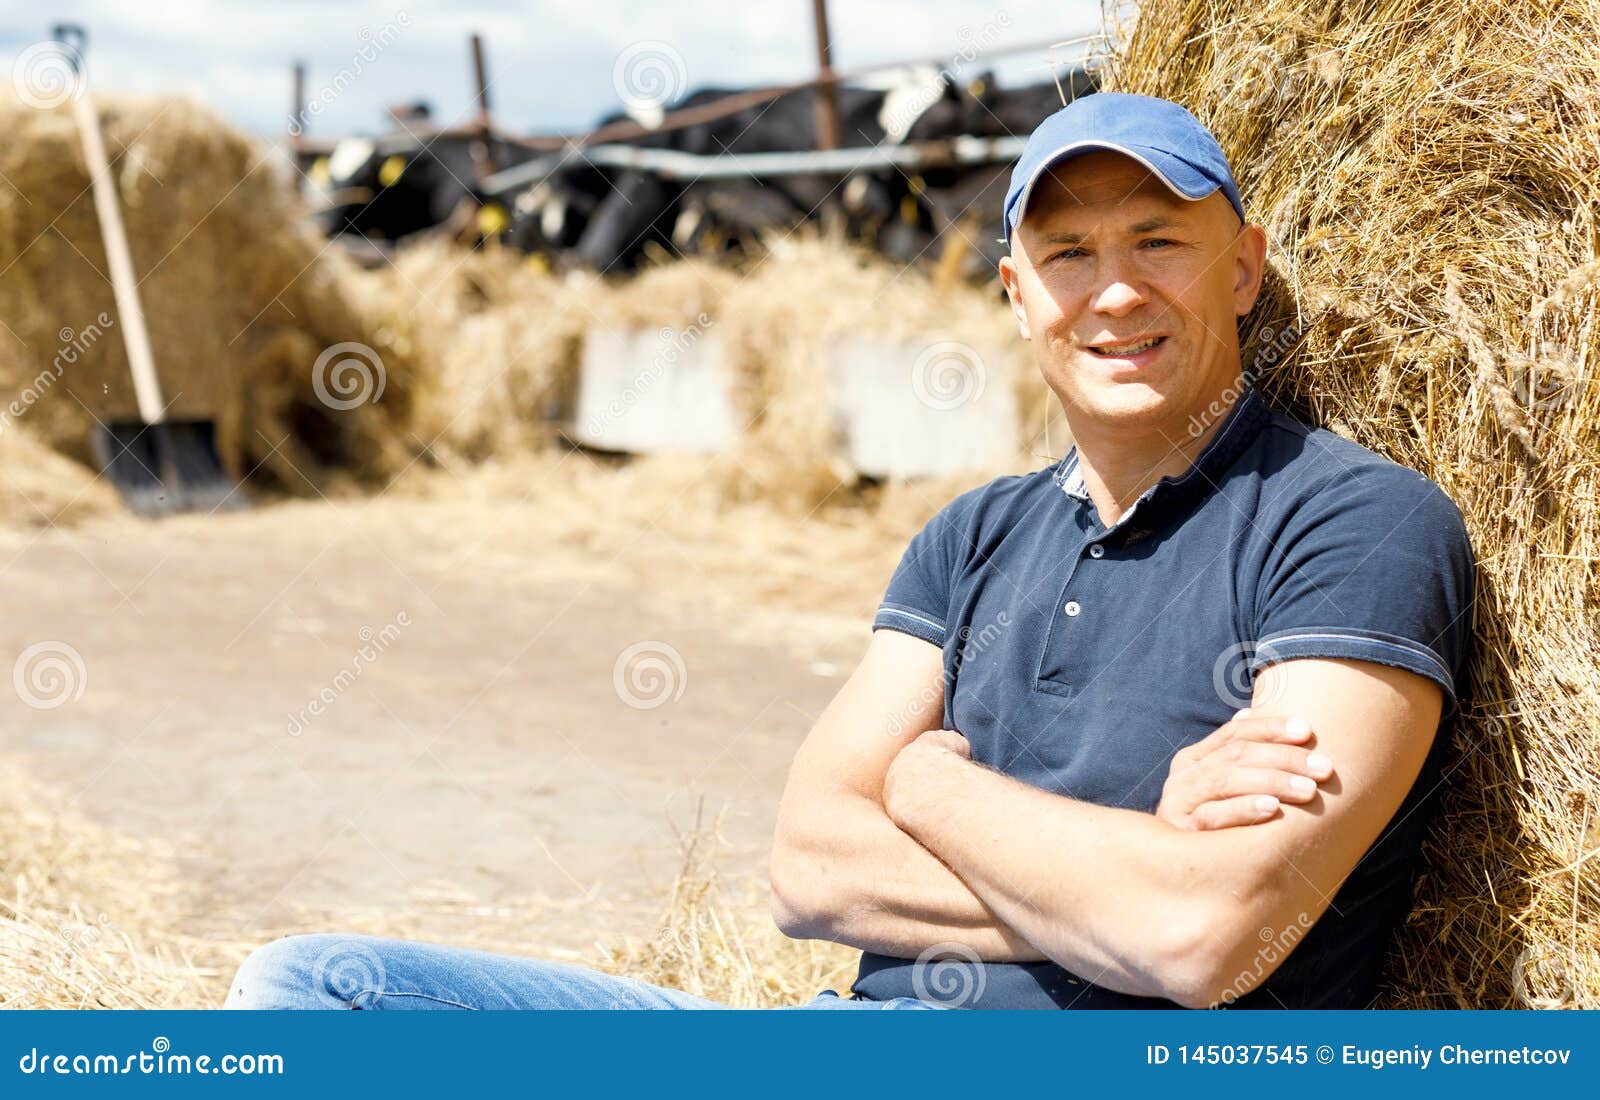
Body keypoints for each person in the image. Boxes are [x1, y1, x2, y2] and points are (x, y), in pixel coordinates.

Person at [224, 92, 1473, 1011]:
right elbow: (808, 863)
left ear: (1242, 268)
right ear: (1013, 294)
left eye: (1158, 241)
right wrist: (1135, 844)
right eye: (1068, 254)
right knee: (312, 991)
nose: (1114, 291)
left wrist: (927, 789)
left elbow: (1202, 931)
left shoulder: (1352, 521)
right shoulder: (971, 536)